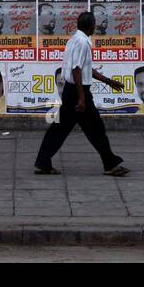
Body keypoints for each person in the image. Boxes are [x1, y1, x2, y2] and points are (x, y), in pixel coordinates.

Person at [34, 11, 129, 176]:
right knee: (96, 129)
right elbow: (76, 70)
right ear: (91, 26)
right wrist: (82, 98)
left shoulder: (75, 39)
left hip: (73, 92)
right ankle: (110, 164)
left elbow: (85, 68)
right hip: (78, 93)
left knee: (60, 129)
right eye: (94, 24)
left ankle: (43, 162)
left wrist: (108, 81)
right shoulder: (82, 43)